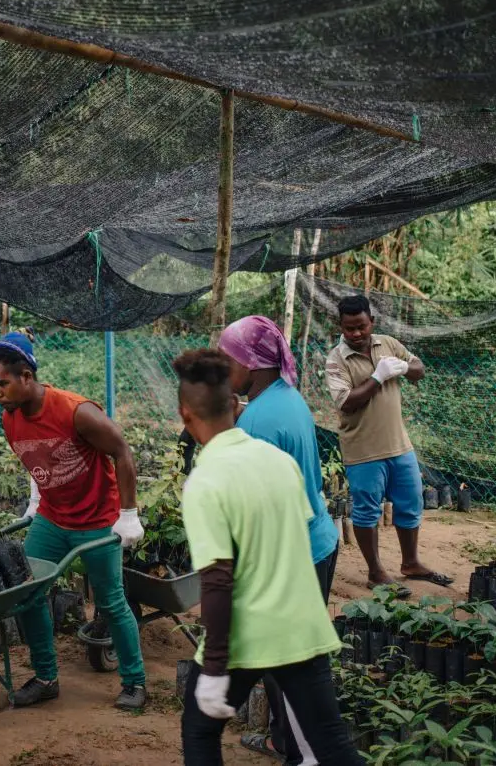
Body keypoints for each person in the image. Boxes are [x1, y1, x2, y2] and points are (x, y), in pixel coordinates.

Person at [174, 349, 363, 766]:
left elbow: (218, 579)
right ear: (237, 405)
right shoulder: (280, 463)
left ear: (186, 417)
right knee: (333, 746)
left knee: (201, 730)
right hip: (301, 627)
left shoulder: (205, 481)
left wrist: (216, 666)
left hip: (248, 633)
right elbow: (295, 539)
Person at [0, 332, 148, 710]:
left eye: (3, 384)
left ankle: (135, 682)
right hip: (53, 520)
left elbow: (123, 452)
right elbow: (36, 456)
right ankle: (46, 677)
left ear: (26, 376)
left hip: (97, 520)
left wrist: (128, 515)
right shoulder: (11, 420)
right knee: (29, 593)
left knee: (110, 601)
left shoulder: (76, 412)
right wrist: (36, 499)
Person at [216, 316, 340, 765]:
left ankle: (304, 756)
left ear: (251, 363)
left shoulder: (260, 424)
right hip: (316, 540)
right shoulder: (284, 398)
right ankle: (284, 741)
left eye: (226, 359)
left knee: (292, 669)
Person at [324, 295, 450, 599]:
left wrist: (405, 367)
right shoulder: (335, 360)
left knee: (411, 503)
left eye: (361, 327)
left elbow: (419, 369)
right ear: (340, 326)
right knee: (367, 512)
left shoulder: (388, 344)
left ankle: (411, 562)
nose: (356, 334)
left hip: (399, 444)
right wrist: (378, 377)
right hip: (363, 450)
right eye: (349, 328)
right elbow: (347, 402)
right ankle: (376, 571)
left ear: (372, 323)